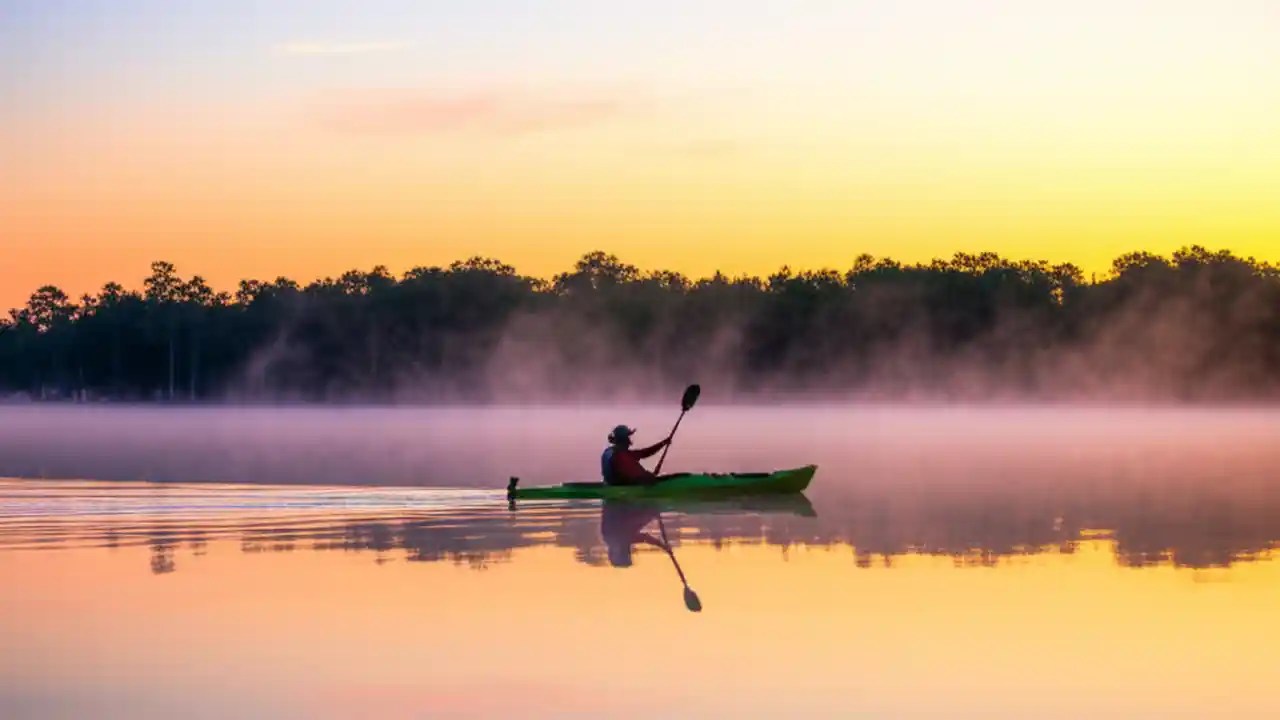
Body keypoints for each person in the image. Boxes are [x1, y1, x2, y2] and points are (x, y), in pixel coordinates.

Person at [600, 425, 672, 485]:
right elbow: (631, 474)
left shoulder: (624, 453)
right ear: (623, 439)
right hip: (626, 487)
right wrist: (647, 477)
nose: (629, 440)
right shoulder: (619, 455)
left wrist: (663, 443)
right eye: (628, 437)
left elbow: (645, 452)